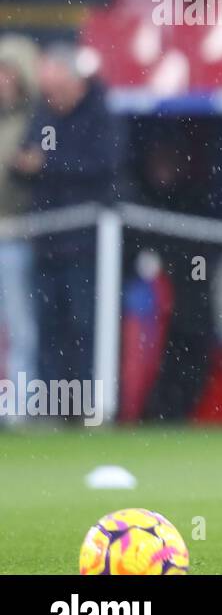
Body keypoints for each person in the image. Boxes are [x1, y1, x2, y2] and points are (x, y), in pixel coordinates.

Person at [14, 45, 122, 387]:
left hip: (85, 246)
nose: (53, 98)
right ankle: (51, 405)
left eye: (58, 90)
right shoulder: (44, 115)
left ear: (77, 83)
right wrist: (26, 166)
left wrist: (48, 165)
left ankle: (89, 401)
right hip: (46, 243)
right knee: (47, 326)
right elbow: (27, 159)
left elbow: (104, 166)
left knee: (85, 325)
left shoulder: (101, 114)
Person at [0, 37, 41, 393]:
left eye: (7, 72)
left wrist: (32, 167)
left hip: (15, 236)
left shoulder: (37, 121)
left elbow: (48, 165)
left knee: (20, 327)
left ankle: (21, 407)